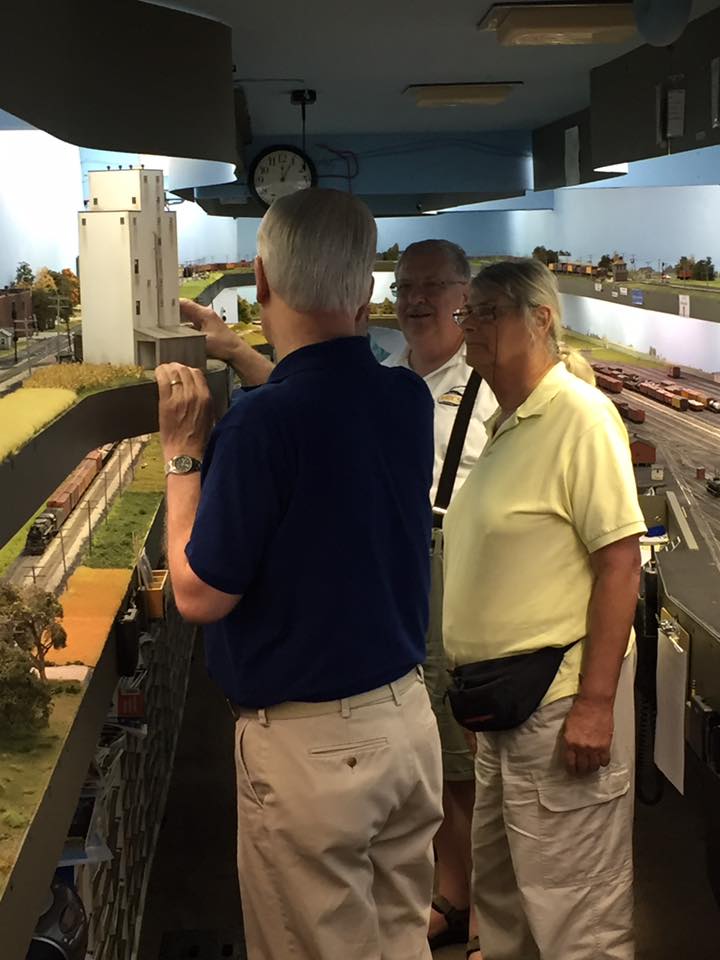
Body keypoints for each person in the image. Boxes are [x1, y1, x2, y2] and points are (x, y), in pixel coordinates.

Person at [156, 188, 443, 960]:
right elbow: (320, 405)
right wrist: (242, 357)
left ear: (260, 278)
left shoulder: (259, 426)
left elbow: (198, 594)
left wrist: (183, 457)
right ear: (367, 290)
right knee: (399, 942)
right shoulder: (405, 397)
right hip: (407, 728)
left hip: (313, 755)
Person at [443, 258, 646, 960]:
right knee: (504, 916)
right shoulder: (509, 425)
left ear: (542, 319)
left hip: (559, 716)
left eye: (489, 311)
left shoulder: (579, 417)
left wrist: (596, 704)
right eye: (468, 311)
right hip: (505, 716)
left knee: (576, 921)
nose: (471, 325)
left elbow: (621, 562)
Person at [383, 240, 496, 958]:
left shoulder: (492, 386)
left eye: (432, 285)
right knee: (433, 754)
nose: (417, 299)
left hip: (469, 576)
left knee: (476, 750)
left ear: (465, 294)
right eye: (405, 287)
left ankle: (490, 917)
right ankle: (452, 896)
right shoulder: (386, 380)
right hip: (399, 574)